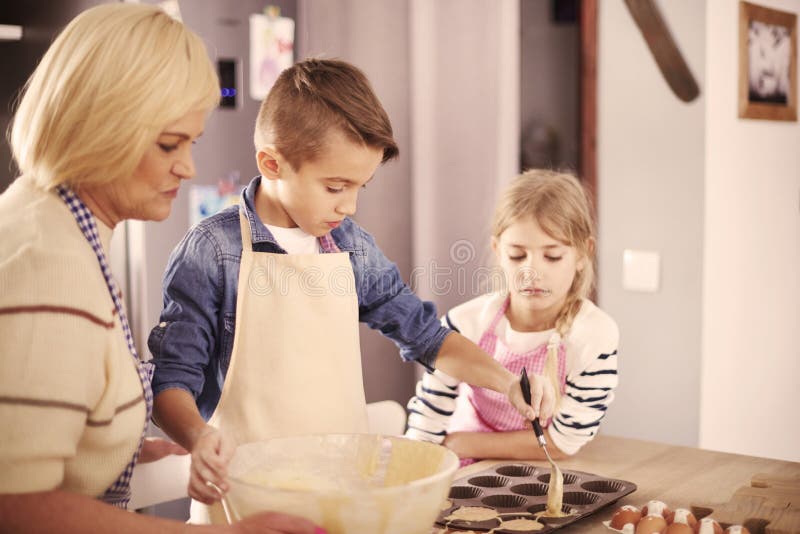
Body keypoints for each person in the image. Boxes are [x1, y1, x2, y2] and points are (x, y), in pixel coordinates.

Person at [147, 57, 554, 524]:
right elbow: (171, 383)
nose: (350, 206)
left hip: (340, 502)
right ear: (272, 163)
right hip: (241, 507)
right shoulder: (212, 252)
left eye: (361, 186)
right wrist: (199, 438)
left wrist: (508, 383)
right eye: (335, 187)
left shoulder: (350, 247)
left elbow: (427, 337)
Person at [0, 4, 323, 533]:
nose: (188, 167)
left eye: (192, 143)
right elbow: (17, 506)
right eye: (170, 144)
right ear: (99, 128)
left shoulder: (52, 225)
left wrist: (116, 448)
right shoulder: (49, 266)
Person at [405, 169, 619, 465]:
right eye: (518, 255)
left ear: (583, 253)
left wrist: (459, 443)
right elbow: (425, 424)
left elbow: (563, 443)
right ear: (498, 250)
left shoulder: (594, 335)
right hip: (463, 465)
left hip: (529, 464)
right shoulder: (464, 323)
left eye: (552, 256)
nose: (532, 272)